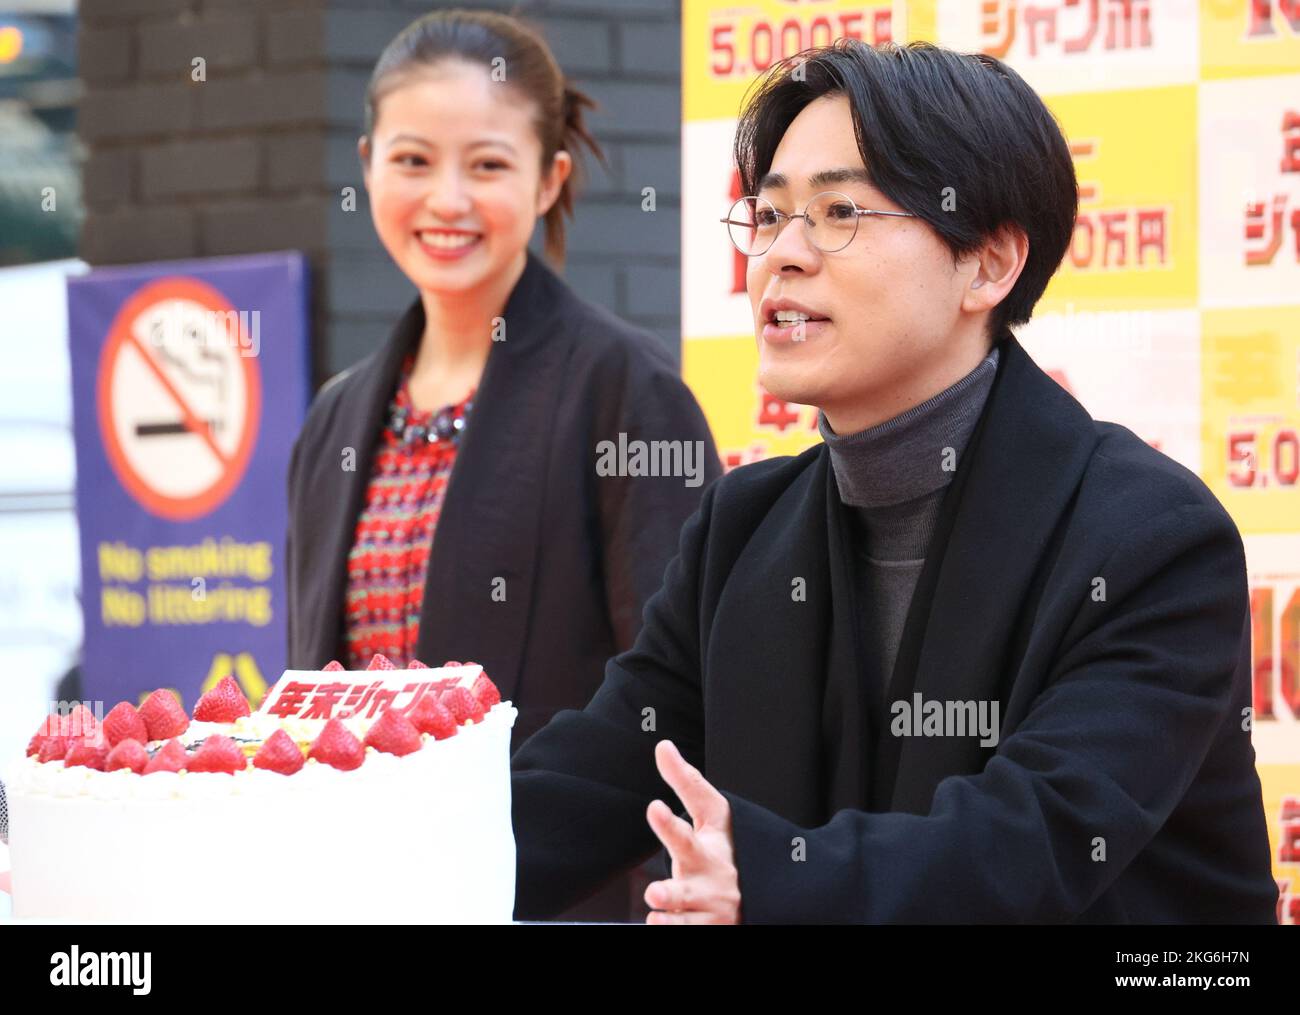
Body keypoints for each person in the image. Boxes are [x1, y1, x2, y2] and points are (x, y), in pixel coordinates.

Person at [510, 40, 1278, 923]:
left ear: (988, 263)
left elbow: (1028, 840)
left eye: (838, 211)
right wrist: (370, 833)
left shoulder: (1149, 537)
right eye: (767, 216)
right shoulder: (743, 526)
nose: (780, 257)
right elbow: (587, 780)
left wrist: (765, 874)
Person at [284, 10, 721, 921]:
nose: (447, 198)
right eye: (412, 160)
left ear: (549, 175)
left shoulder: (626, 389)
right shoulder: (335, 420)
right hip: (353, 888)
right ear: (367, 164)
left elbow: (678, 692)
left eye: (486, 164)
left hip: (557, 899)